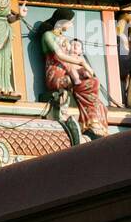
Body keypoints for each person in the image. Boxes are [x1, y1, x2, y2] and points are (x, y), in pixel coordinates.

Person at [39, 9, 108, 138]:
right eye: (70, 23)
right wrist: (81, 62)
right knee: (84, 84)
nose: (71, 25)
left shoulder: (64, 38)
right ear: (62, 22)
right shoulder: (48, 35)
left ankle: (92, 119)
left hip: (69, 71)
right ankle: (91, 121)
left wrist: (84, 66)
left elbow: (72, 56)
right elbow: (59, 55)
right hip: (56, 75)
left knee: (93, 82)